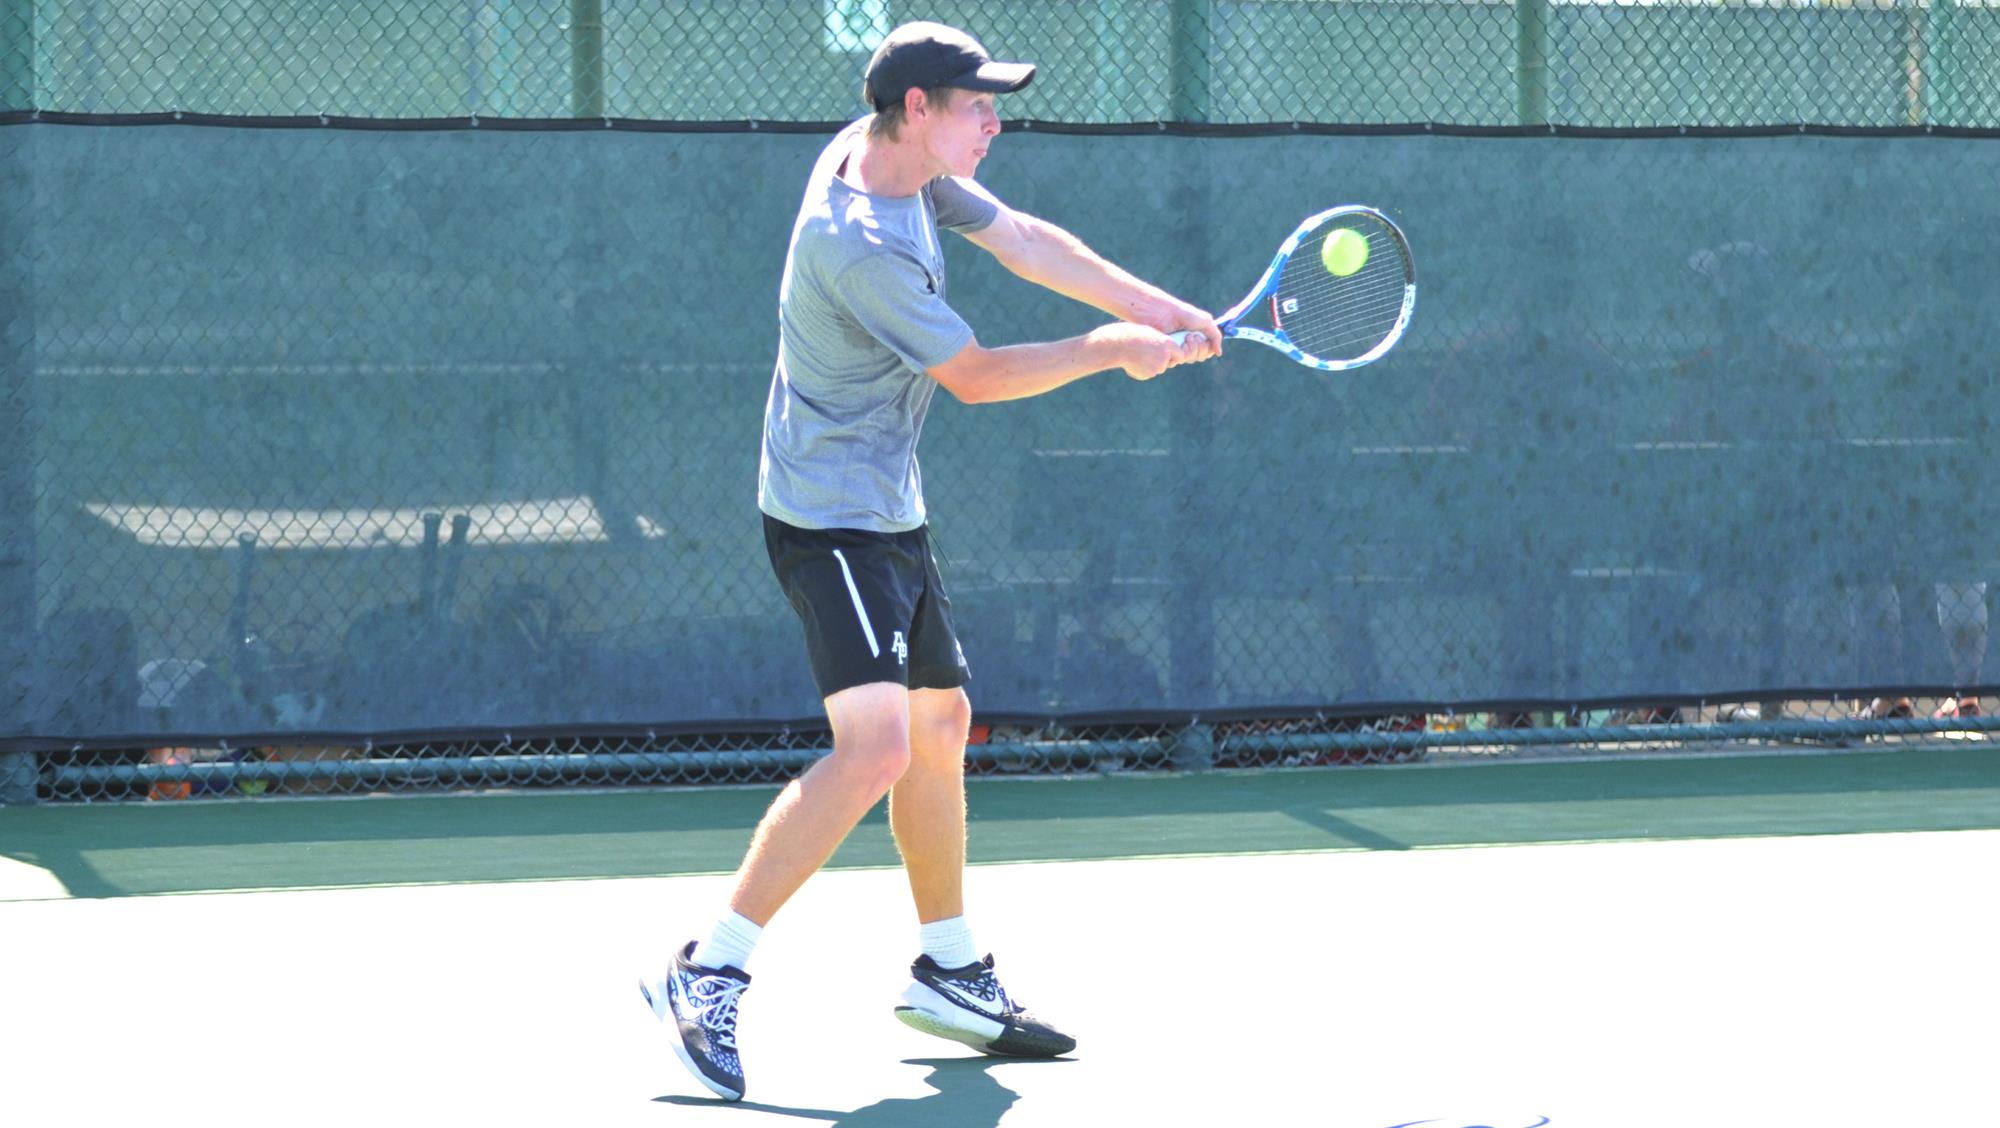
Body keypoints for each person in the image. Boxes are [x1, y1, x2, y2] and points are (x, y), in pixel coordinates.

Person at [638, 22, 1220, 1102]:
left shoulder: (899, 163)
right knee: (871, 750)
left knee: (939, 726)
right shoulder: (853, 237)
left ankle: (949, 971)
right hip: (826, 515)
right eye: (974, 104)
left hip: (886, 503)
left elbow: (1027, 240)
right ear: (916, 107)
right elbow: (977, 375)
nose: (993, 120)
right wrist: (1109, 352)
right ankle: (706, 966)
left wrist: (1155, 308)